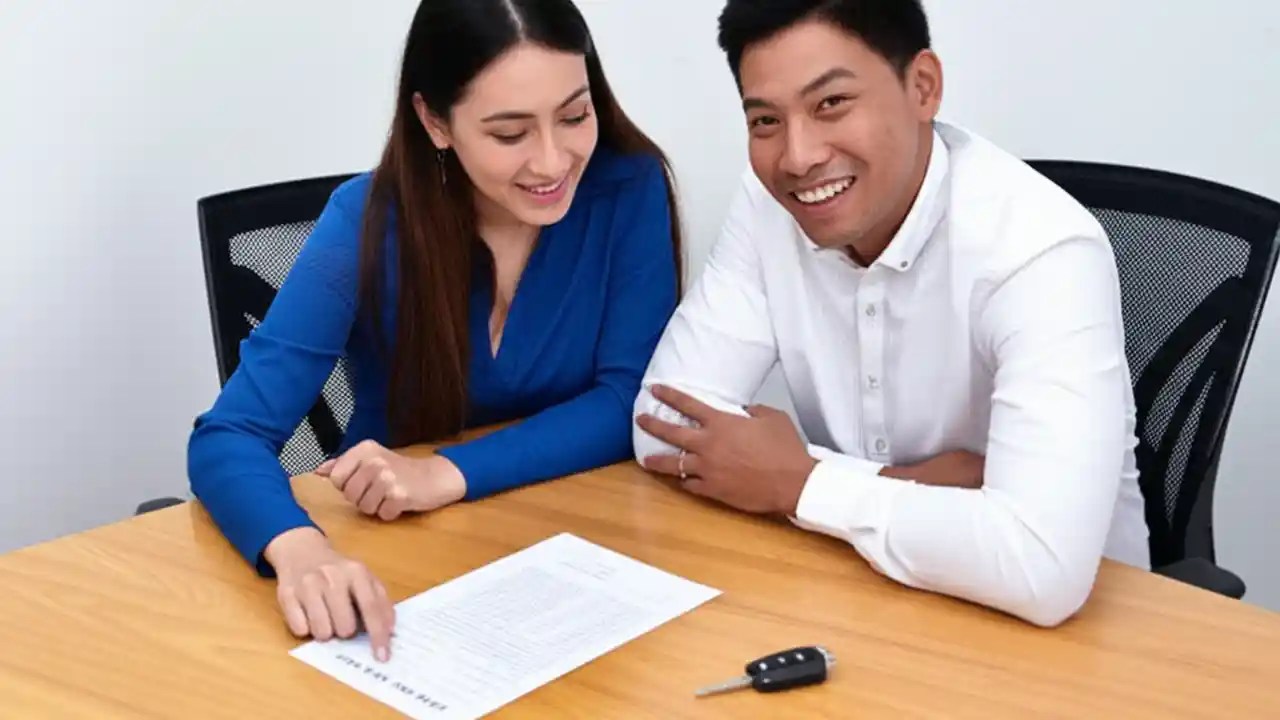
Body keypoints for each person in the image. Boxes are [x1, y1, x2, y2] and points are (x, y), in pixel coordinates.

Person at [188, 0, 682, 661]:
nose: (553, 160)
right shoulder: (364, 222)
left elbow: (630, 400)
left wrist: (445, 472)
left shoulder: (628, 187)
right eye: (510, 134)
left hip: (574, 558)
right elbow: (230, 435)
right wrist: (301, 549)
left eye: (574, 115)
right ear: (434, 121)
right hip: (396, 562)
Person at [633, 0, 1149, 628]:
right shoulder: (770, 204)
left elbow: (1041, 567)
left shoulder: (1043, 251)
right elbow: (660, 420)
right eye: (766, 120)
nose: (797, 157)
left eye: (831, 104)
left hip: (1080, 642)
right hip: (863, 592)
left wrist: (795, 482)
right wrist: (905, 483)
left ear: (923, 87)